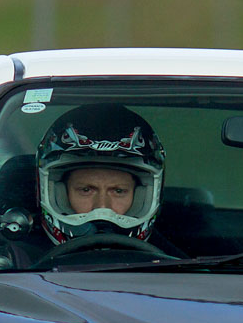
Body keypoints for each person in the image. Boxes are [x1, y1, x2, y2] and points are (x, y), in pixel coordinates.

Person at [34, 104, 165, 245]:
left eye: (118, 191)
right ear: (61, 194)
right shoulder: (17, 261)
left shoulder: (174, 263)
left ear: (141, 196)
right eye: (86, 190)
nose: (102, 207)